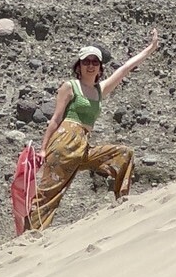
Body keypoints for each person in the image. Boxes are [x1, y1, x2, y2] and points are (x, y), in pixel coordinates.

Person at [23, 29, 159, 232]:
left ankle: (122, 202)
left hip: (83, 145)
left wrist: (150, 49)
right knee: (50, 192)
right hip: (64, 141)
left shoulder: (99, 90)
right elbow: (55, 119)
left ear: (100, 67)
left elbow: (124, 69)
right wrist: (43, 149)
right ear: (78, 66)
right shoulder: (70, 87)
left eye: (95, 62)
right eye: (86, 61)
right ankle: (30, 235)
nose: (91, 65)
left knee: (123, 154)